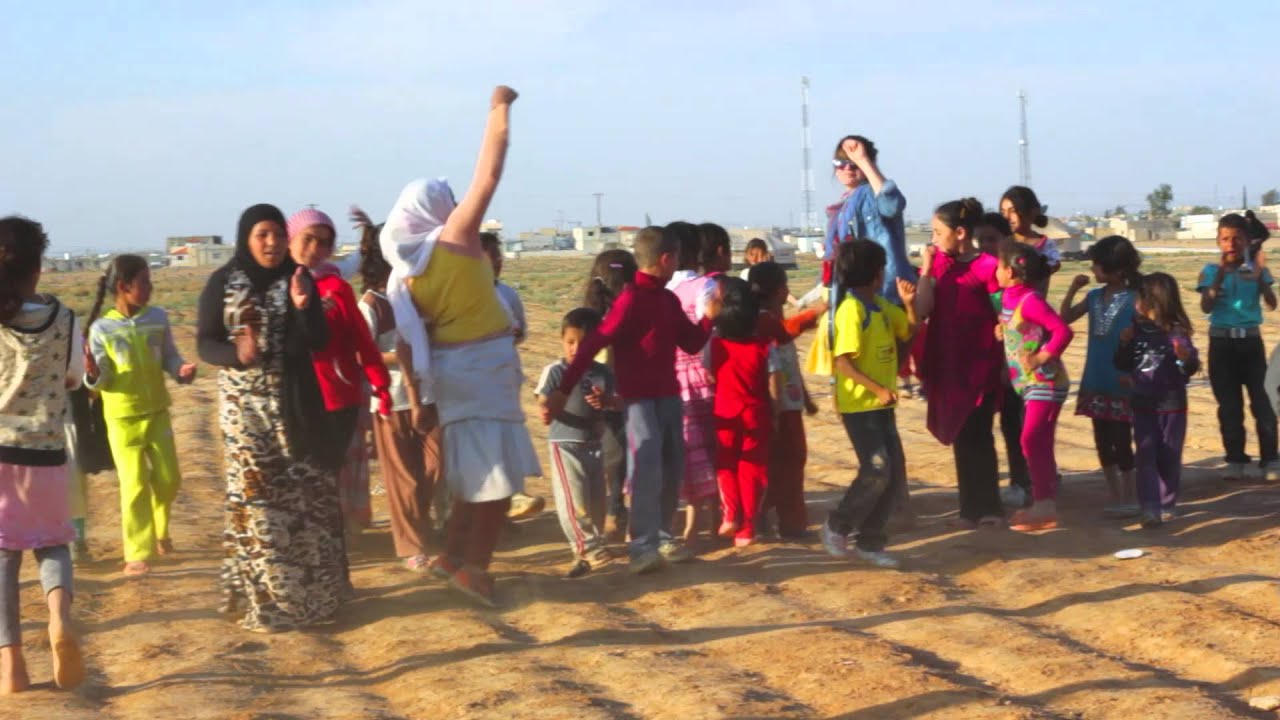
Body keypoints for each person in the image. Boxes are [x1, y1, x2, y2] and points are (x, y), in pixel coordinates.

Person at [379, 85, 541, 607]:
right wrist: (500, 109)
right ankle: (474, 570)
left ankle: (451, 555)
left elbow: (410, 344)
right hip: (485, 373)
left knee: (475, 478)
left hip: (454, 378)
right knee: (496, 483)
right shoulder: (455, 239)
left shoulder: (405, 274)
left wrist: (419, 397)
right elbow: (489, 174)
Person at [198, 203, 347, 632]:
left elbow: (318, 340)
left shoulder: (298, 280)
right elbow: (205, 343)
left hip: (293, 404)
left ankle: (311, 599)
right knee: (259, 503)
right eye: (262, 235)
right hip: (243, 409)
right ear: (246, 238)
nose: (272, 243)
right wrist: (236, 353)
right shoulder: (222, 282)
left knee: (302, 500)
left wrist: (303, 307)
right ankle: (268, 602)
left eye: (279, 235)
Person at [543, 226, 717, 575]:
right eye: (676, 258)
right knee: (646, 467)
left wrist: (707, 319)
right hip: (638, 401)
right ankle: (641, 546)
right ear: (666, 259)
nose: (678, 264)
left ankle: (664, 537)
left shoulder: (666, 300)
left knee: (671, 466)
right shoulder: (631, 300)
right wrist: (562, 390)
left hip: (669, 396)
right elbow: (593, 344)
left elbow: (690, 342)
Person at [0, 216, 85, 694]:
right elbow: (73, 378)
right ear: (38, 268)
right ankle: (58, 617)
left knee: (3, 556)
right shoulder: (65, 318)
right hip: (48, 453)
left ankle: (11, 664)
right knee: (53, 543)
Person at [84, 254, 197, 575]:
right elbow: (101, 380)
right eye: (144, 282)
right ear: (123, 286)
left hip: (157, 412)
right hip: (121, 419)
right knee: (134, 484)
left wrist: (181, 370)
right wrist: (92, 374)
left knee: (169, 478)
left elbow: (170, 357)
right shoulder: (101, 329)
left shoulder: (157, 318)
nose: (151, 288)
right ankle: (137, 551)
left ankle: (161, 528)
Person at [286, 208, 392, 535]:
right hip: (293, 399)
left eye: (323, 243)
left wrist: (380, 384)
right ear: (290, 239)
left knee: (337, 469)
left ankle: (340, 535)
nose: (314, 249)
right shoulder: (275, 288)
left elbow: (362, 340)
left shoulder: (336, 288)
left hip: (338, 397)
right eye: (308, 239)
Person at [820, 239, 916, 568]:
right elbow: (843, 362)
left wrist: (909, 305)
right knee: (876, 469)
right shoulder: (852, 311)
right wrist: (877, 389)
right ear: (877, 274)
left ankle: (871, 542)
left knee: (893, 473)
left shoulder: (880, 307)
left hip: (881, 406)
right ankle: (838, 525)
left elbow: (908, 330)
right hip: (860, 406)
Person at [355, 215, 441, 572]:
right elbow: (360, 354)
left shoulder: (412, 295)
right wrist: (399, 357)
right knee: (403, 476)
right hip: (390, 400)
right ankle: (412, 546)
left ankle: (419, 526)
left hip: (428, 395)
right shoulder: (371, 305)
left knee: (435, 466)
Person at [914, 199, 1005, 528]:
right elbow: (922, 309)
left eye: (939, 232)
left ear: (961, 233)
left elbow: (1002, 308)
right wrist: (926, 270)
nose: (934, 239)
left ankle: (989, 507)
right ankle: (969, 508)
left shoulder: (988, 267)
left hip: (980, 365)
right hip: (947, 364)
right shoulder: (938, 265)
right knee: (960, 434)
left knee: (979, 434)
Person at [1059, 235, 1142, 516]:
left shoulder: (1136, 299)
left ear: (1117, 268)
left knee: (1122, 439)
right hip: (1095, 378)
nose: (1093, 269)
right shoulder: (1094, 297)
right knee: (1102, 440)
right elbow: (1065, 318)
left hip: (1122, 379)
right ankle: (1115, 495)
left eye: (1097, 264)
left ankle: (1130, 494)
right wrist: (1072, 289)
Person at [996, 243, 1073, 531]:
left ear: (1010, 272)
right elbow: (1021, 326)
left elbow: (1063, 331)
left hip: (1045, 381)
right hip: (1030, 383)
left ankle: (1044, 504)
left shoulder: (1030, 300)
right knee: (1037, 441)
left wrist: (1042, 356)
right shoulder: (1010, 297)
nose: (996, 271)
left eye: (999, 266)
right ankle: (1044, 502)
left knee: (1031, 439)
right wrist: (1003, 330)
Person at [536, 308, 618, 577]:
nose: (575, 348)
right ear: (562, 340)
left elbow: (618, 402)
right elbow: (543, 400)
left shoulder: (603, 373)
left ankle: (586, 550)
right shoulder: (555, 371)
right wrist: (546, 410)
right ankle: (589, 547)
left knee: (596, 501)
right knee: (573, 501)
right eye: (570, 342)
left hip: (594, 444)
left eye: (583, 343)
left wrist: (606, 401)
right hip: (565, 443)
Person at [1197, 212, 1279, 481]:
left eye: (1237, 238)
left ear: (1247, 241)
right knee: (1229, 406)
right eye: (1225, 239)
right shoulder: (1210, 271)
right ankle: (1235, 460)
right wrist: (1219, 276)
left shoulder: (1257, 270)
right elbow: (1206, 306)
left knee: (1263, 403)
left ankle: (1270, 459)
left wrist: (1259, 277)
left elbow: (1272, 304)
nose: (1231, 244)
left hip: (1251, 343)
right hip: (1221, 345)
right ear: (1218, 242)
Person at [1114, 273, 1200, 529]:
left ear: (1154, 301)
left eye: (1139, 297)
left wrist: (1185, 358)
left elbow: (1190, 368)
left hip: (1172, 405)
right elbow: (1121, 363)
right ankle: (1150, 508)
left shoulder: (1176, 332)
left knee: (1169, 455)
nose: (1135, 303)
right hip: (1142, 404)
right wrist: (1124, 344)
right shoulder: (1134, 330)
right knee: (1145, 454)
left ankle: (1167, 503)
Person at [666, 221, 730, 550]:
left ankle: (694, 527)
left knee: (691, 455)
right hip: (703, 378)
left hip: (672, 379)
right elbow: (711, 327)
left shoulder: (665, 290)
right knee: (712, 450)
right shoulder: (704, 286)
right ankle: (713, 520)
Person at [749, 261, 822, 538]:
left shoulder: (762, 319)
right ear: (780, 291)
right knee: (790, 463)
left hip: (784, 403)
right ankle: (788, 522)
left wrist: (806, 397)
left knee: (781, 463)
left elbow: (790, 365)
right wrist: (815, 313)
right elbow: (788, 332)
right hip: (780, 406)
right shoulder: (765, 321)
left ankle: (767, 516)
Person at [708, 277, 780, 547]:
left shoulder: (715, 345)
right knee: (753, 470)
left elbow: (710, 376)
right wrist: (776, 413)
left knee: (725, 464)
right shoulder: (765, 347)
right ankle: (747, 529)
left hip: (725, 413)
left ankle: (730, 514)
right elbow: (774, 384)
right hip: (756, 413)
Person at [480, 230, 545, 521]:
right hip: (478, 380)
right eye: (492, 254)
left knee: (508, 438)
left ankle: (508, 502)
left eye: (499, 254)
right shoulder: (465, 294)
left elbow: (522, 332)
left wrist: (512, 334)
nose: (498, 260)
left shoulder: (507, 293)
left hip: (506, 376)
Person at [975, 212, 1032, 507]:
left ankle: (1022, 481)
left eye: (992, 239)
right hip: (985, 361)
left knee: (1014, 424)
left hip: (1013, 364)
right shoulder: (978, 275)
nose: (986, 245)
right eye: (981, 240)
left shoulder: (1014, 284)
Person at [582, 249, 638, 540]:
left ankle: (613, 512)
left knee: (610, 457)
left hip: (597, 392)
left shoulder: (589, 314)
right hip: (627, 390)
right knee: (629, 455)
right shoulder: (632, 309)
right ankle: (621, 512)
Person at [1000, 186, 1060, 293]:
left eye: (1013, 211)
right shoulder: (1001, 243)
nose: (1007, 217)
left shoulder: (1046, 246)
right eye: (1003, 212)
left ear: (1032, 212)